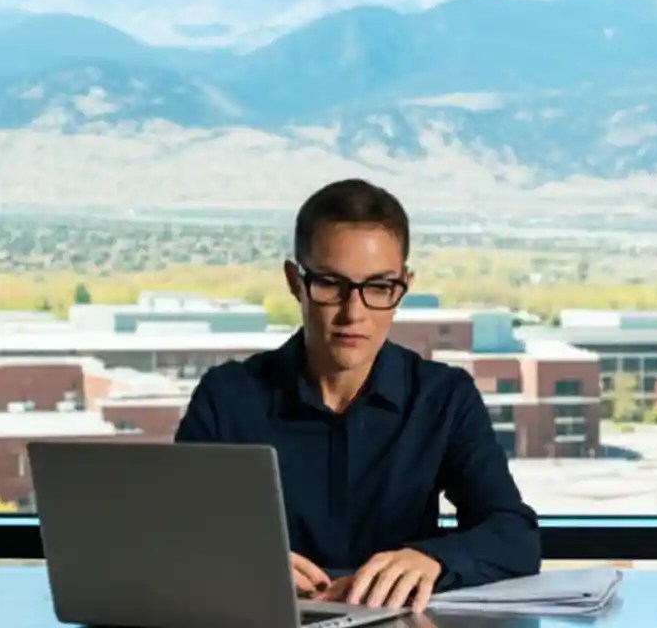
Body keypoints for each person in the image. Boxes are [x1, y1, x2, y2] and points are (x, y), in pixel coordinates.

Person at [174, 178, 540, 614]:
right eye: (331, 284)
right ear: (295, 281)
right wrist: (237, 563)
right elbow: (175, 536)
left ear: (403, 286)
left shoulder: (443, 397)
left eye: (379, 288)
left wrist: (434, 560)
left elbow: (514, 535)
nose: (354, 313)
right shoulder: (226, 397)